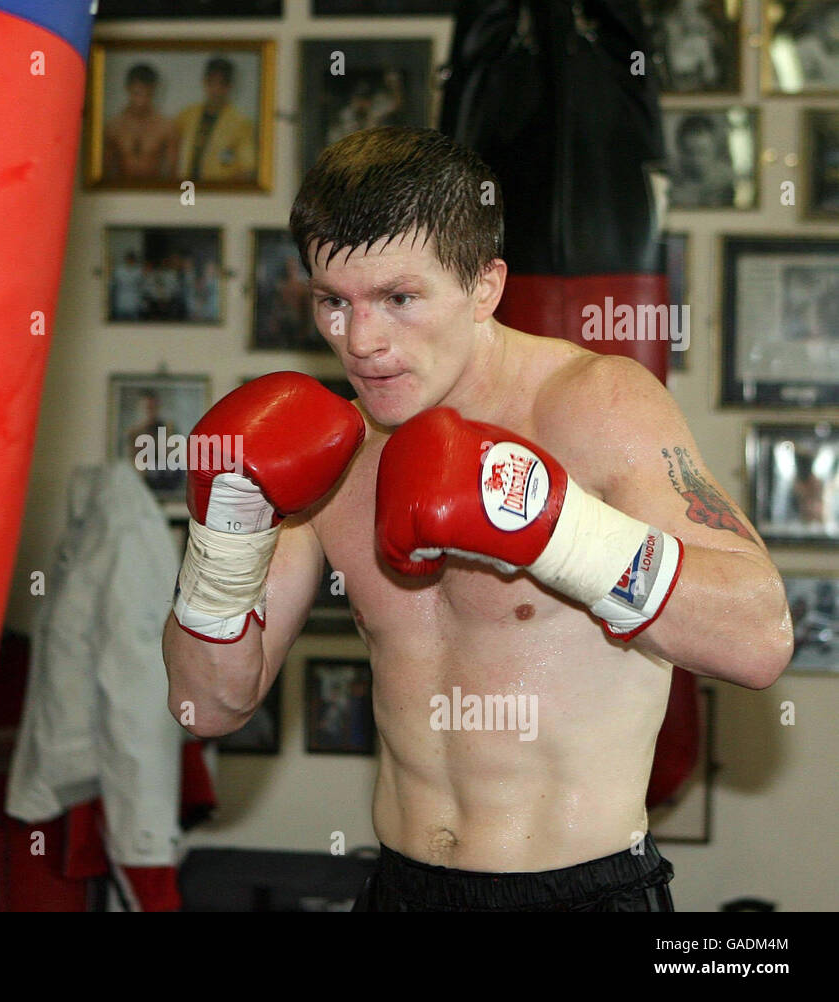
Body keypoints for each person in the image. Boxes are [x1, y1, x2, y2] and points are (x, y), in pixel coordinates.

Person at [162, 126, 793, 911]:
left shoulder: (593, 404)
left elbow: (760, 640)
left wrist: (557, 532)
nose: (362, 341)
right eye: (334, 301)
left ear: (486, 286)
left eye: (399, 298)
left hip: (580, 895)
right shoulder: (329, 452)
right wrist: (223, 539)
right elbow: (208, 706)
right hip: (399, 886)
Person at [175, 57, 256, 184]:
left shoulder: (241, 124)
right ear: (204, 82)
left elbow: (247, 169)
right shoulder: (187, 115)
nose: (216, 90)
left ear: (230, 87)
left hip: (220, 192)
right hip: (186, 190)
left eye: (221, 84)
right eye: (211, 83)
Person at [103, 63, 180, 182]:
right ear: (128, 89)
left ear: (154, 91)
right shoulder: (113, 126)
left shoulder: (166, 127)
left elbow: (173, 172)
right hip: (120, 191)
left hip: (154, 191)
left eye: (147, 95)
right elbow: (105, 171)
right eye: (137, 94)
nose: (141, 101)